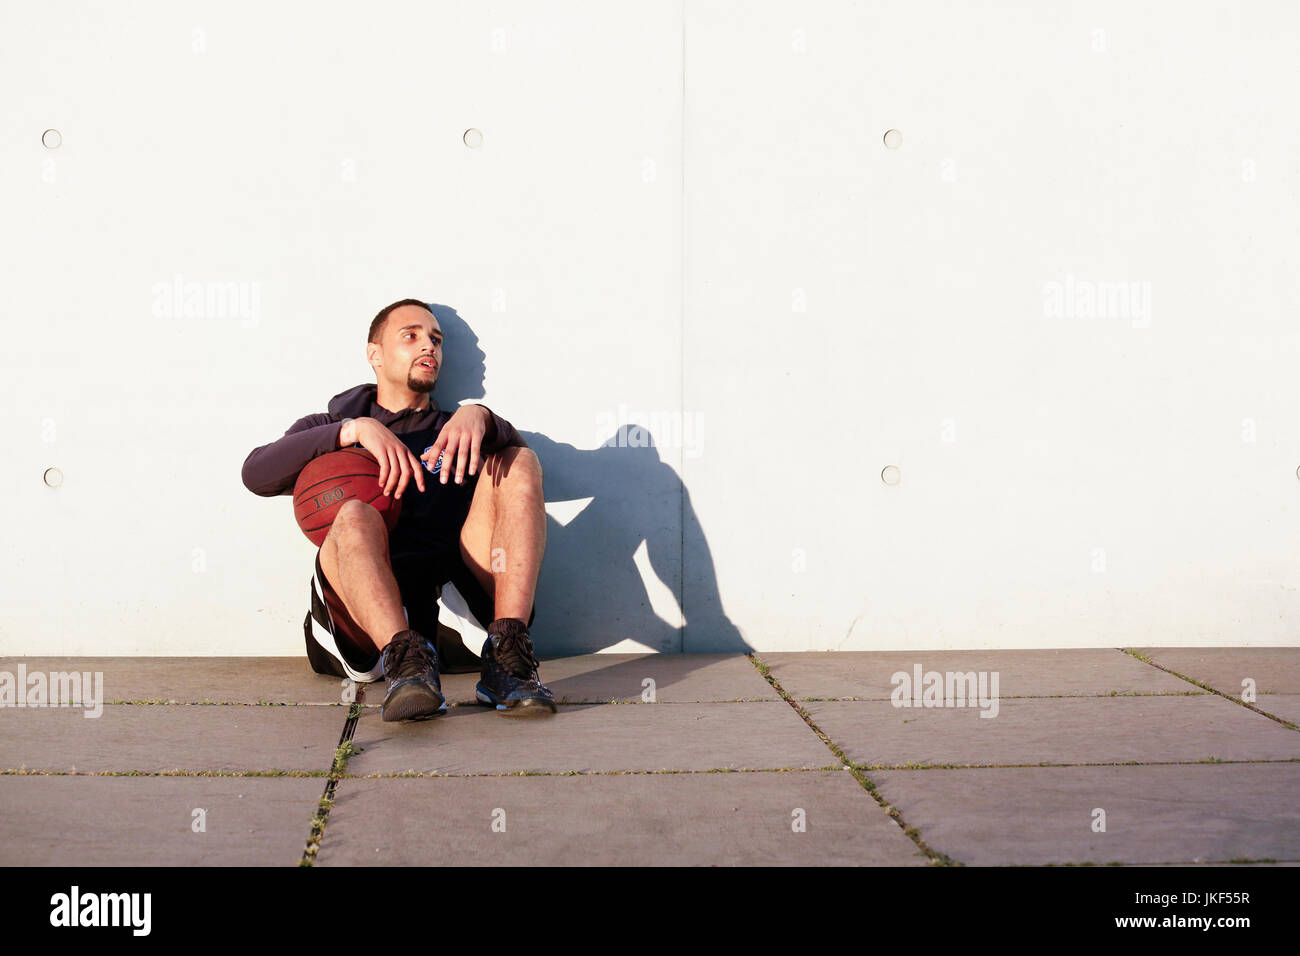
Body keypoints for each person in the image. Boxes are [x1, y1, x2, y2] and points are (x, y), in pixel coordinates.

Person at [241, 298, 555, 721]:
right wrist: (352, 430)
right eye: (411, 336)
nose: (429, 346)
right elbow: (256, 474)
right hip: (364, 631)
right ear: (375, 354)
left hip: (454, 617)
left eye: (436, 339)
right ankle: (402, 658)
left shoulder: (458, 429)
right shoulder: (330, 425)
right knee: (352, 514)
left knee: (520, 461)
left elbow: (518, 488)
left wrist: (482, 417)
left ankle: (509, 655)